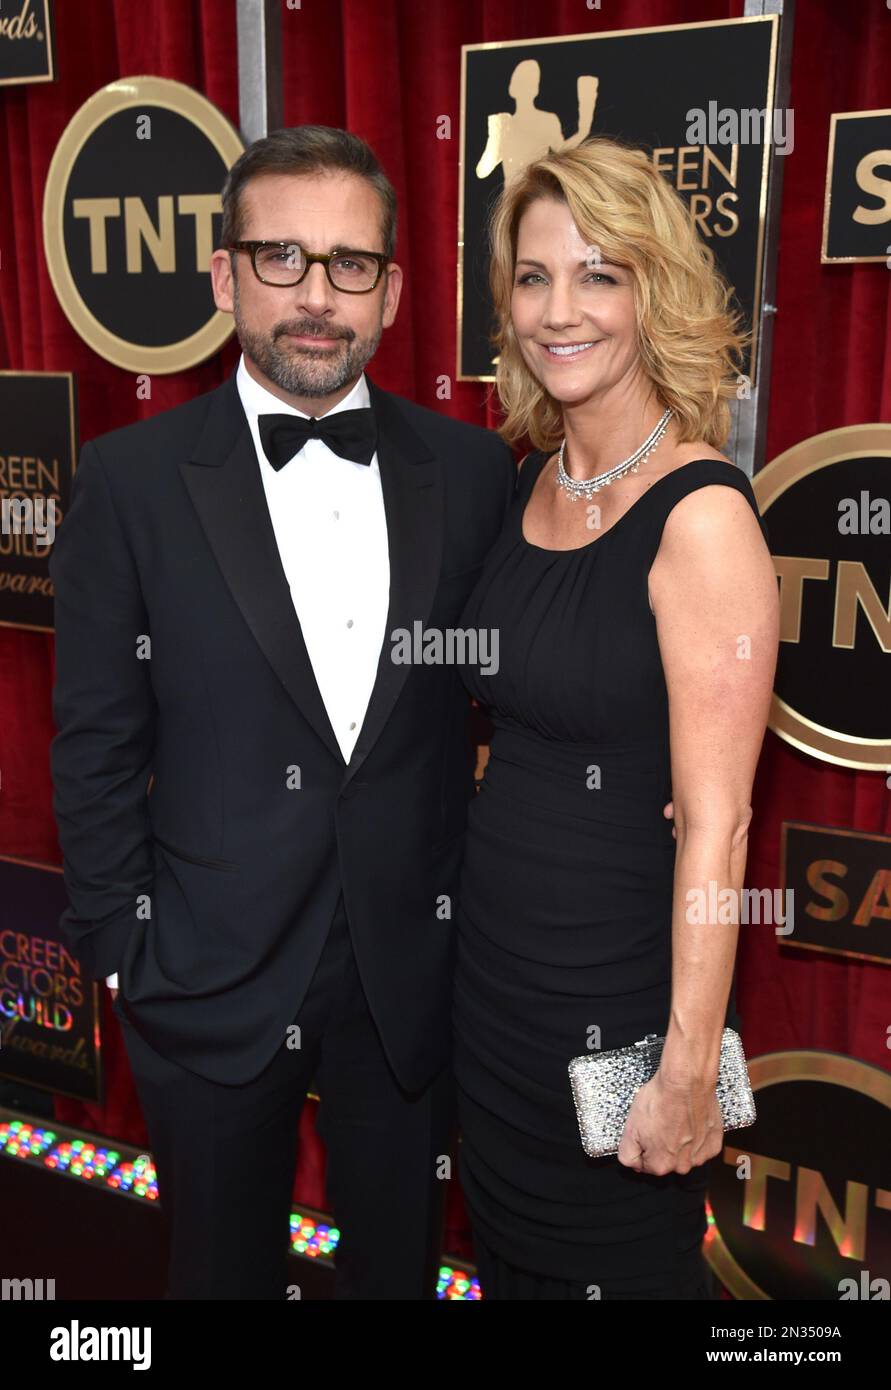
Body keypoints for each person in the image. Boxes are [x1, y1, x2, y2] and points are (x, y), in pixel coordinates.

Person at [48, 125, 515, 1300]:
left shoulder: (472, 473)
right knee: (219, 1274)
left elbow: (515, 686)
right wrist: (127, 955)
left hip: (410, 966)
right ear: (224, 277)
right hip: (204, 968)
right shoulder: (130, 481)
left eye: (350, 263)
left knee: (398, 1272)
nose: (316, 296)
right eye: (282, 257)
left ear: (392, 293)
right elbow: (95, 743)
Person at [453, 135, 780, 1300]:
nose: (560, 310)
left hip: (617, 999)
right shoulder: (525, 480)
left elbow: (719, 828)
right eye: (534, 277)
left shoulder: (701, 515)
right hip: (493, 988)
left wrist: (688, 1064)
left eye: (599, 275)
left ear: (655, 290)